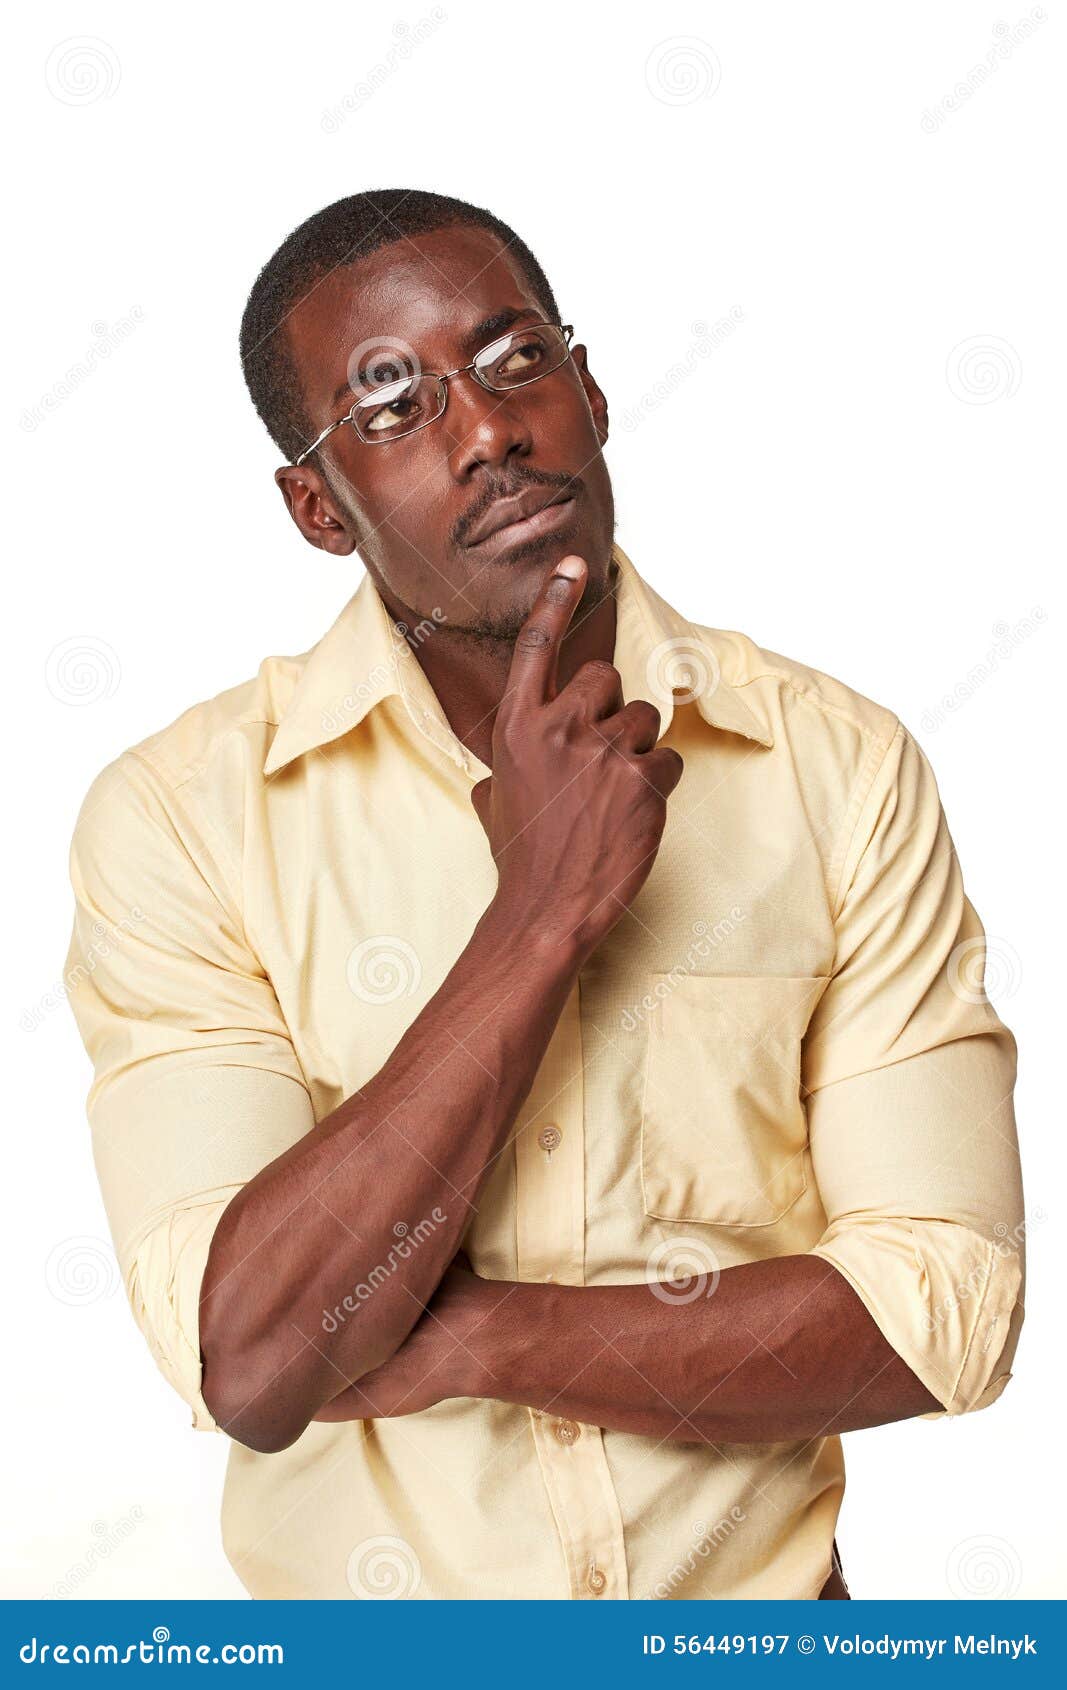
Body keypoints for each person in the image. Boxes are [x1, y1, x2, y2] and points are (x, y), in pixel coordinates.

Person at [64, 189, 1024, 1601]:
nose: (489, 431)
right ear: (317, 507)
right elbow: (261, 1355)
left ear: (594, 391)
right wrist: (538, 917)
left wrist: (467, 1335)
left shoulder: (837, 766)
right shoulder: (180, 818)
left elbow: (942, 1312)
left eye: (517, 361)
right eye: (394, 407)